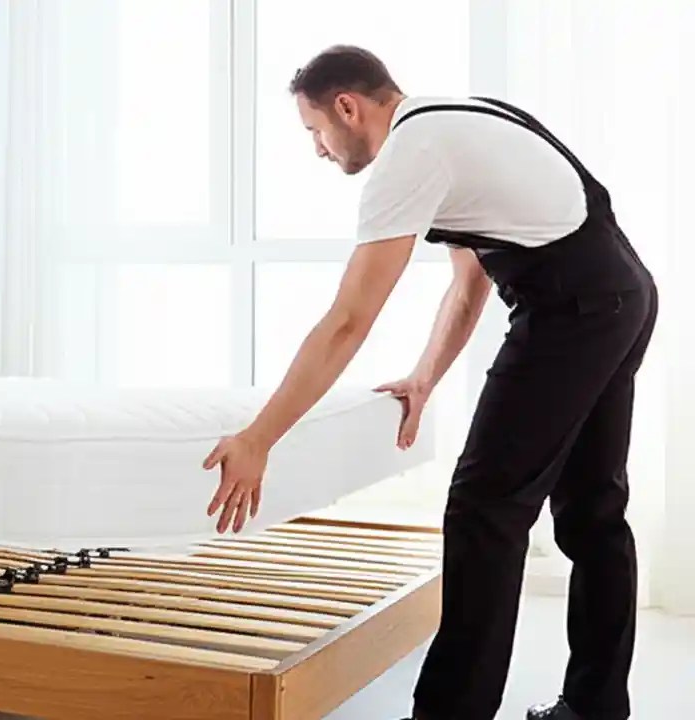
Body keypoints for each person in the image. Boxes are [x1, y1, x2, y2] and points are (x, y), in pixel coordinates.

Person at [202, 46, 656, 720]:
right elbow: (469, 285)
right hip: (621, 295)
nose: (319, 152)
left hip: (574, 312)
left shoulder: (411, 155)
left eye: (314, 132)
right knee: (592, 510)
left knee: (484, 510)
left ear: (348, 108)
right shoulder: (459, 121)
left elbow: (348, 322)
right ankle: (595, 707)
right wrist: (424, 377)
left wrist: (259, 438)